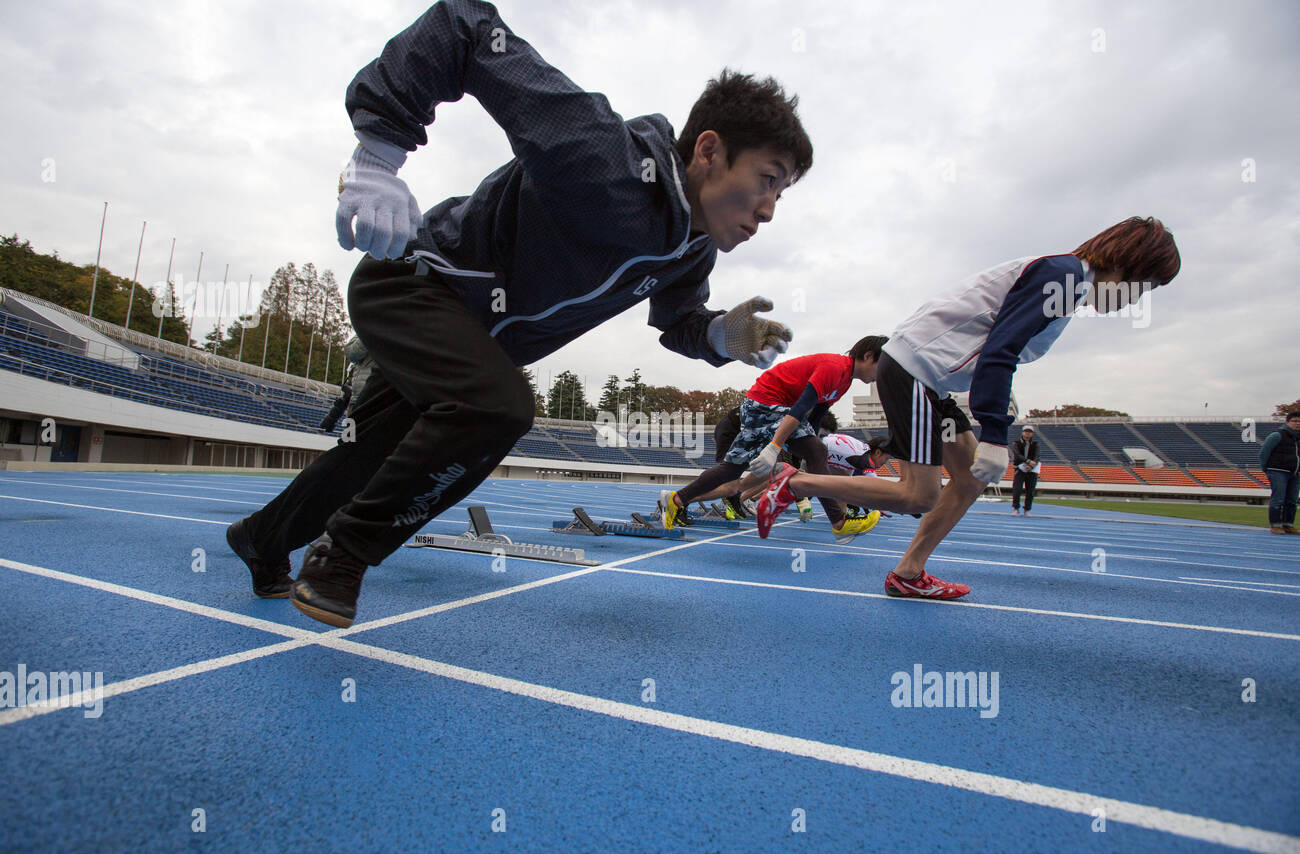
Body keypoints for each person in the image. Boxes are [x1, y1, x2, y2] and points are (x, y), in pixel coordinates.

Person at [225, 0, 813, 627]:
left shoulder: (691, 250)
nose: (771, 209)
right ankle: (344, 554)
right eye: (769, 179)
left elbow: (679, 323)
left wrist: (720, 335)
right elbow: (464, 26)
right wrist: (377, 157)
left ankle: (263, 539)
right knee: (497, 408)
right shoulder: (604, 157)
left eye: (783, 192)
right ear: (709, 150)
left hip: (471, 338)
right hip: (412, 283)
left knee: (368, 456)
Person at [757, 216, 1181, 598]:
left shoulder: (1068, 282)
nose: (1135, 301)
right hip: (915, 371)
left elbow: (993, 346)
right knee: (918, 495)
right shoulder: (1065, 276)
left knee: (969, 478)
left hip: (932, 380)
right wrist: (996, 434)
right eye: (1144, 287)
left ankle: (908, 572)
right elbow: (1002, 351)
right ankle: (795, 485)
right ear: (1129, 264)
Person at [662, 338, 888, 537]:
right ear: (868, 356)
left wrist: (806, 452)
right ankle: (839, 522)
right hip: (765, 402)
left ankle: (676, 500)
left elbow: (815, 419)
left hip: (765, 405)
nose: (880, 377)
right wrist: (775, 447)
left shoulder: (844, 383)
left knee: (731, 470)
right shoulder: (834, 367)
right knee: (818, 451)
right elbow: (800, 409)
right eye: (881, 367)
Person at [1260, 411, 1300, 534]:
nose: (1298, 424)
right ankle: (1276, 525)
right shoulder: (1277, 435)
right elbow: (1264, 453)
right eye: (1295, 421)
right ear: (1287, 422)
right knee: (1278, 499)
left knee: (1292, 500)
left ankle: (1288, 525)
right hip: (1278, 471)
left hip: (1295, 473)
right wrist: (1266, 469)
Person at [1009, 424, 1041, 515]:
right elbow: (1017, 455)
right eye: (1026, 432)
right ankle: (1016, 508)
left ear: (1033, 434)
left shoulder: (1035, 444)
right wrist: (1028, 461)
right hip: (1019, 468)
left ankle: (1027, 509)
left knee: (1030, 490)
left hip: (1032, 470)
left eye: (1030, 432)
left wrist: (1031, 466)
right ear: (1022, 432)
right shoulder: (1016, 443)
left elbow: (1037, 456)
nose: (1027, 434)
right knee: (1017, 489)